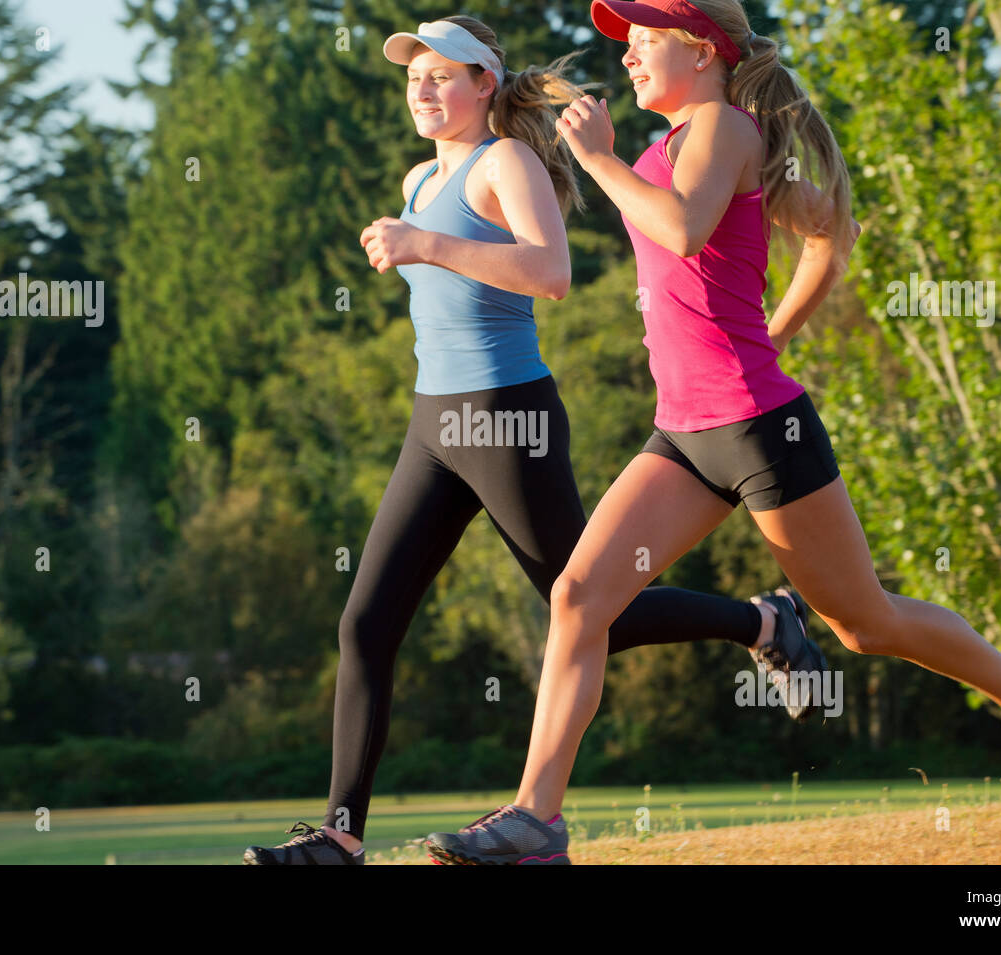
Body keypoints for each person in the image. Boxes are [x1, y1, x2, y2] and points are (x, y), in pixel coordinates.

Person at [426, 0, 1001, 866]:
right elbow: (827, 228)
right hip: (684, 433)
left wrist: (597, 162)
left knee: (862, 623)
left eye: (643, 42)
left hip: (758, 427)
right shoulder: (678, 145)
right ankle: (535, 822)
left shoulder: (723, 127)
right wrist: (757, 325)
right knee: (579, 598)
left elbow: (681, 227)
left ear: (702, 51)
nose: (627, 59)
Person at [242, 13, 826, 866]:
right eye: (414, 76)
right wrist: (415, 234)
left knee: (587, 608)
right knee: (366, 621)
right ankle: (340, 832)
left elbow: (550, 273)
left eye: (444, 74)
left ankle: (760, 619)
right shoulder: (415, 179)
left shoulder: (507, 162)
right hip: (433, 421)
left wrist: (424, 244)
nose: (425, 87)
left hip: (505, 414)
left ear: (485, 85)